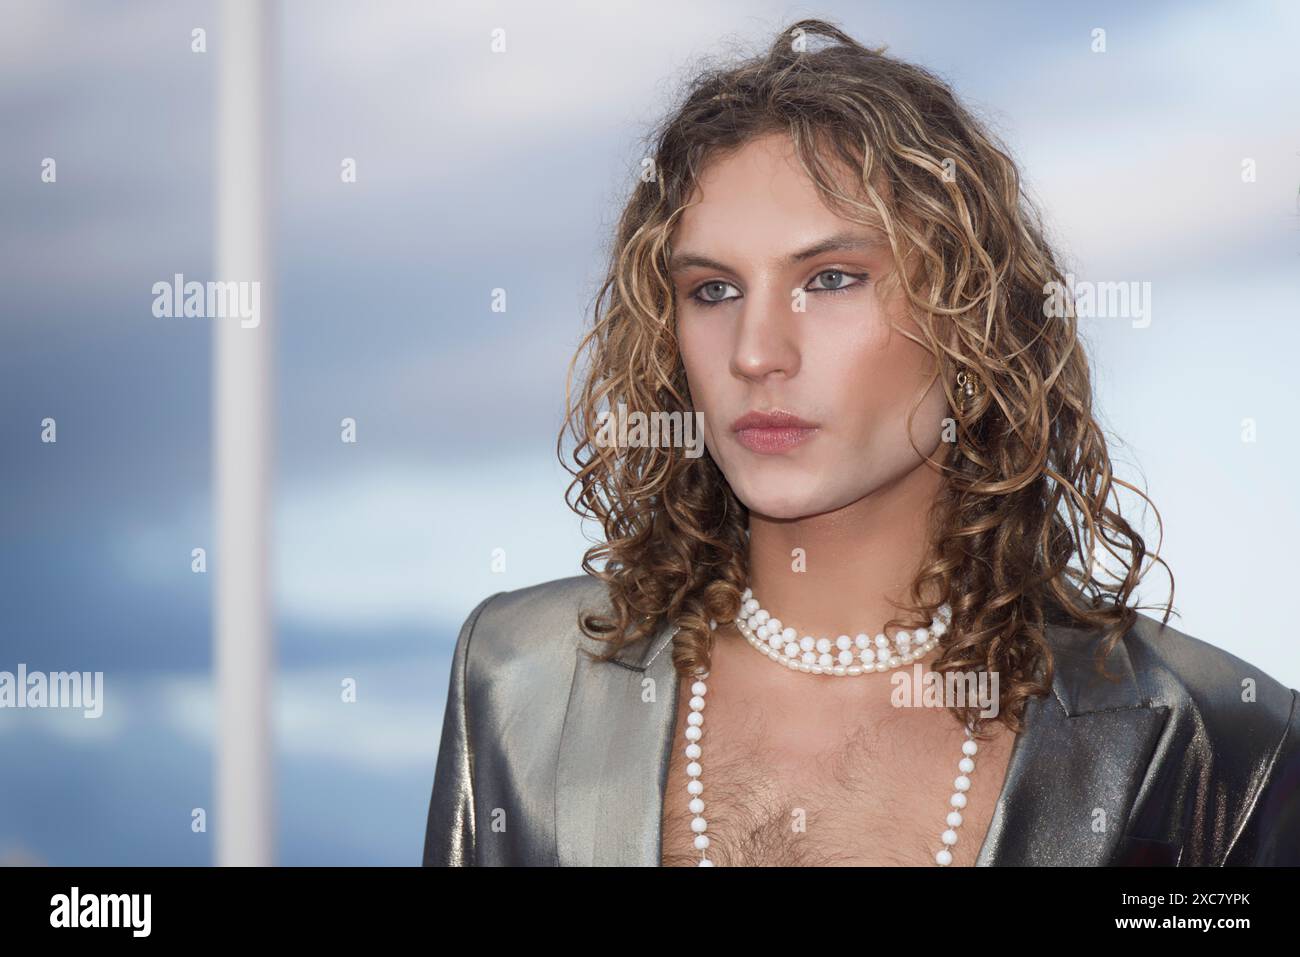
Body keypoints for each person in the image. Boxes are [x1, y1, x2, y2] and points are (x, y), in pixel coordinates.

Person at [423, 18, 1299, 867]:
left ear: (974, 319)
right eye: (715, 290)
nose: (758, 352)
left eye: (831, 279)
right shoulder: (519, 679)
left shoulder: (1216, 740)